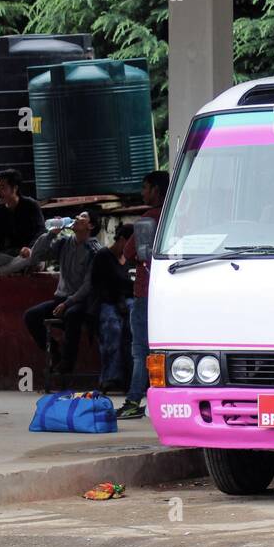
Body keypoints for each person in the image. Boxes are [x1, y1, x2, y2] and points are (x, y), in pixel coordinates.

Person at [22, 210, 101, 382]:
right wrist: (50, 234)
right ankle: (54, 351)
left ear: (90, 226)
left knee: (72, 314)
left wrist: (68, 303)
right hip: (61, 299)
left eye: (83, 217)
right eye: (78, 216)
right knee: (31, 316)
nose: (77, 219)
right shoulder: (64, 243)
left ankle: (67, 363)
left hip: (81, 301)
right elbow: (36, 256)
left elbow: (89, 285)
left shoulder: (95, 251)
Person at [117, 170, 169, 420]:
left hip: (146, 293)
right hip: (169, 294)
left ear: (156, 190)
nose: (143, 192)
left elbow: (128, 252)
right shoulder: (177, 216)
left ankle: (133, 401)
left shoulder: (148, 219)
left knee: (140, 350)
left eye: (146, 188)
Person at [89, 223, 134, 393]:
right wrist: (119, 302)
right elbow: (102, 287)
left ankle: (130, 378)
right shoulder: (103, 256)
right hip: (106, 302)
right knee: (112, 328)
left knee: (133, 330)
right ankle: (110, 377)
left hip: (127, 302)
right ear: (122, 240)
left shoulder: (130, 259)